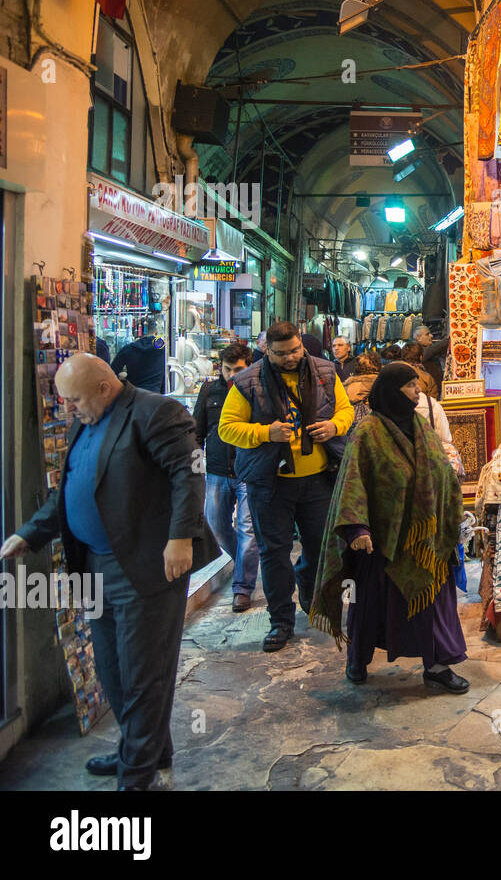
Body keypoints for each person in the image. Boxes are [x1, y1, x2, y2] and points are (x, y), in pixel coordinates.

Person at [1, 354, 215, 790]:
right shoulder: (86, 419)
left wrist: (181, 537)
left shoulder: (156, 412)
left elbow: (189, 475)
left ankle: (137, 774)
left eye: (74, 399)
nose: (68, 409)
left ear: (103, 387)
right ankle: (149, 751)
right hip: (96, 565)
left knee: (142, 675)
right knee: (113, 670)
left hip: (146, 565)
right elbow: (71, 489)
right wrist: (30, 533)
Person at [310, 363, 470, 693]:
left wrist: (450, 508)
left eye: (417, 385)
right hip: (382, 543)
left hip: (425, 543)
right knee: (371, 606)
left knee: (433, 607)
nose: (417, 392)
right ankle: (357, 658)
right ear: (392, 390)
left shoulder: (421, 427)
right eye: (410, 386)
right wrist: (357, 529)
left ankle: (437, 666)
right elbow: (353, 482)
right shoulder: (367, 433)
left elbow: (440, 471)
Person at [218, 321, 354, 653]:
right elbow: (227, 428)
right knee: (273, 553)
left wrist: (334, 426)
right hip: (270, 483)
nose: (291, 357)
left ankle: (307, 588)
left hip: (318, 480)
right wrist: (266, 433)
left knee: (319, 547)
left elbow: (346, 410)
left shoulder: (325, 372)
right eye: (282, 353)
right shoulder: (247, 381)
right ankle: (281, 620)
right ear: (267, 351)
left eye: (295, 350)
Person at [193, 342, 259, 612]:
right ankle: (243, 564)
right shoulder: (210, 390)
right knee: (216, 526)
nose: (231, 374)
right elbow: (197, 430)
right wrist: (195, 463)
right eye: (227, 369)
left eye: (238, 369)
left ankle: (242, 587)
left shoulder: (257, 391)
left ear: (249, 367)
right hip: (217, 470)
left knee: (248, 531)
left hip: (247, 471)